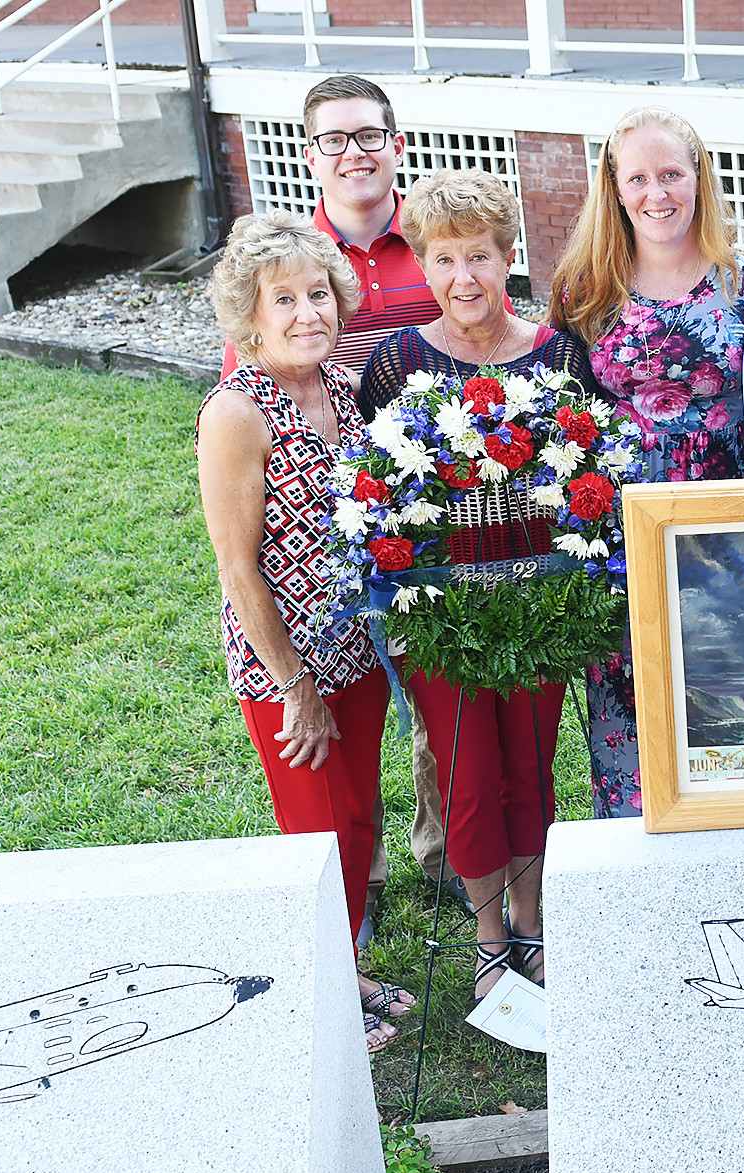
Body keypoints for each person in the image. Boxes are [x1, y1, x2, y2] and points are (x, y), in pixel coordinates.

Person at [227, 75, 483, 925]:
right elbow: (238, 552)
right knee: (320, 807)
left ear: (396, 143)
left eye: (368, 135)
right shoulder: (250, 380)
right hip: (294, 635)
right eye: (334, 139)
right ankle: (344, 935)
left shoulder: (428, 245)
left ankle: (426, 872)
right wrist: (290, 679)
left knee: (379, 764)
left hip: (382, 584)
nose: (354, 152)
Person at [359, 169, 596, 1000]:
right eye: (446, 259)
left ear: (509, 259)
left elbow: (591, 470)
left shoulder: (556, 355)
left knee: (531, 764)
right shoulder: (396, 363)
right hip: (441, 610)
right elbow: (378, 492)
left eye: (483, 257)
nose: (467, 278)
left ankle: (533, 922)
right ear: (423, 265)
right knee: (466, 770)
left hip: (543, 600)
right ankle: (489, 937)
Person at [197, 211, 410, 1051]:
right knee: (314, 833)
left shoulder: (339, 390)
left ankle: (344, 968)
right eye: (281, 300)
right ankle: (320, 999)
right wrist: (295, 686)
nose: (304, 313)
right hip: (285, 668)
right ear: (250, 318)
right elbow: (237, 569)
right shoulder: (236, 413)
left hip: (352, 647)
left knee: (357, 819)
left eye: (317, 294)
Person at [549, 106, 744, 821]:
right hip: (624, 536)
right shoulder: (585, 291)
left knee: (733, 703)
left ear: (699, 179)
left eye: (671, 174)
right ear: (613, 187)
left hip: (731, 531)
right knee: (631, 708)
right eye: (637, 178)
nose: (657, 193)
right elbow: (563, 421)